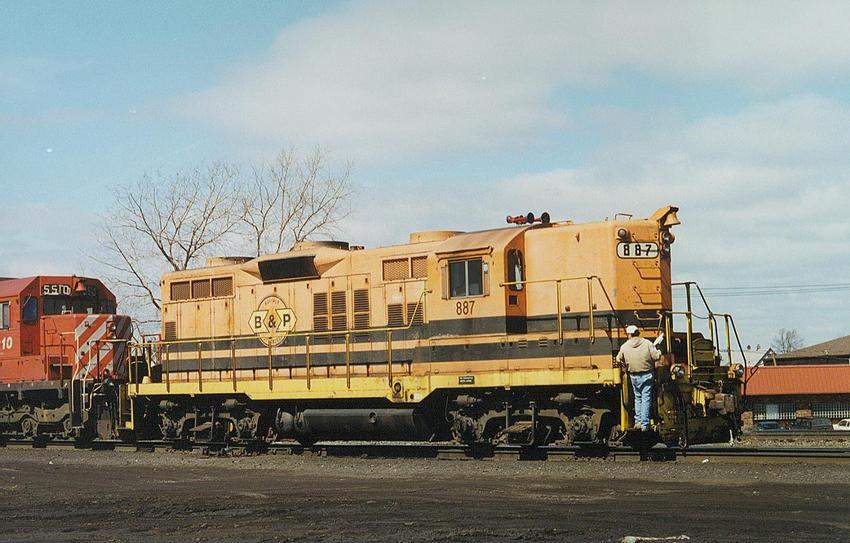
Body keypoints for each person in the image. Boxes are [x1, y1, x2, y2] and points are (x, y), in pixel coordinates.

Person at [616, 325, 662, 431]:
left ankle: (638, 422)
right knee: (646, 398)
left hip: (633, 376)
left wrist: (624, 362)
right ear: (638, 333)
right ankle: (645, 424)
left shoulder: (624, 346)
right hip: (647, 375)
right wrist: (658, 351)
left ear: (629, 334)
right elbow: (656, 357)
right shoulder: (647, 343)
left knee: (638, 398)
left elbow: (618, 359)